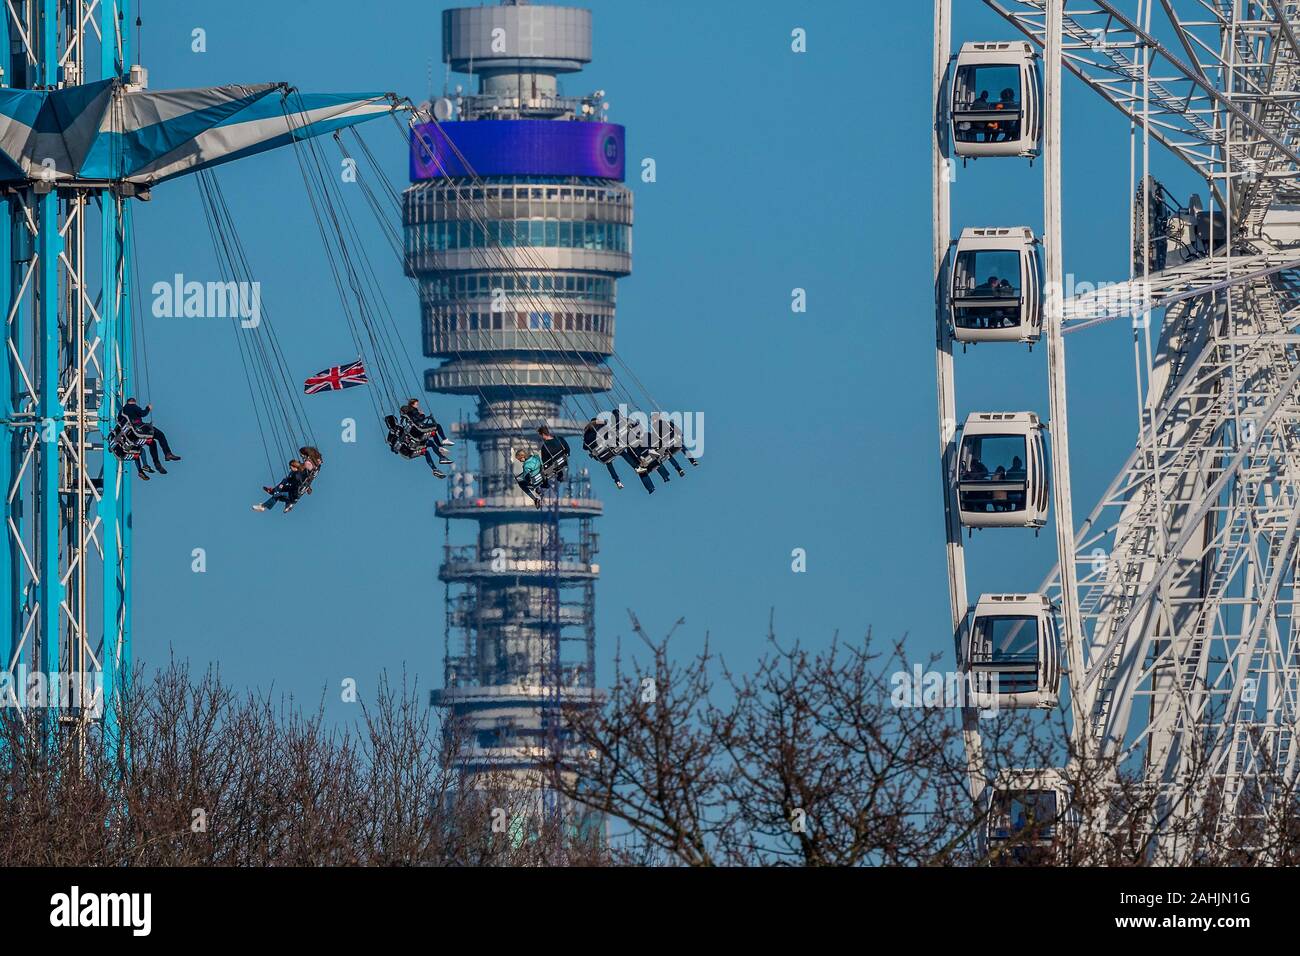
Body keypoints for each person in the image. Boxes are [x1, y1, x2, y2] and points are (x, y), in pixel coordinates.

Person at [120, 398, 181, 473]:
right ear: (133, 402)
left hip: (131, 434)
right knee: (161, 435)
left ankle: (157, 464)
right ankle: (168, 454)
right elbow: (143, 413)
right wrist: (148, 408)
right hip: (140, 430)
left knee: (152, 443)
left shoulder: (122, 411)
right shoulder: (133, 406)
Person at [400, 398, 452, 478]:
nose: (418, 406)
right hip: (418, 435)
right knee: (437, 426)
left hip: (415, 442)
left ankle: (436, 467)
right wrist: (422, 414)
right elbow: (419, 420)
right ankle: (443, 444)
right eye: (417, 404)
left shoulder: (403, 421)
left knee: (428, 447)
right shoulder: (412, 412)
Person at [583, 416, 624, 489]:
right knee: (622, 451)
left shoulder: (586, 435)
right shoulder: (601, 428)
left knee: (609, 463)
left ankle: (617, 481)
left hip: (601, 455)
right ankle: (636, 465)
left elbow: (585, 447)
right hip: (608, 448)